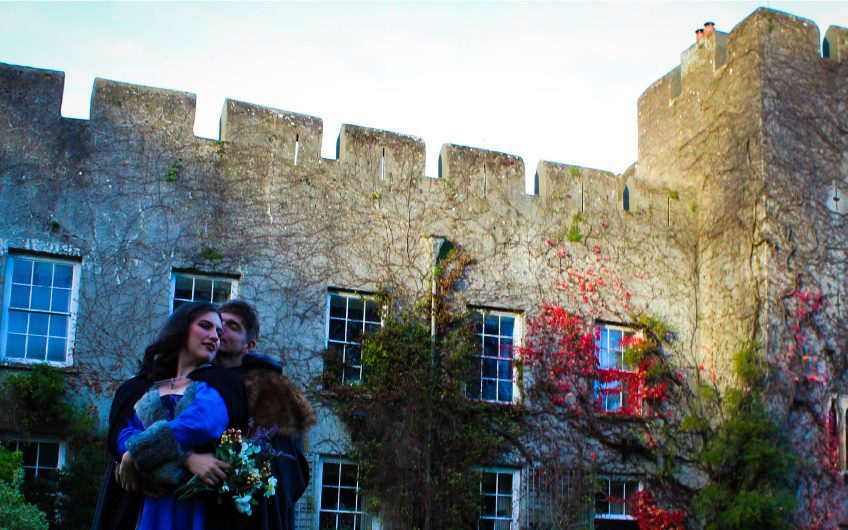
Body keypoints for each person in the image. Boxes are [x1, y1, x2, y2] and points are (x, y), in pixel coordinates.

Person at [93, 301, 248, 530]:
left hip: (194, 510)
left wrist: (137, 454)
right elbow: (123, 437)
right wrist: (186, 459)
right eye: (205, 326)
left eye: (219, 332)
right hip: (141, 508)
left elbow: (200, 424)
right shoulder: (140, 387)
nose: (215, 336)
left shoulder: (221, 383)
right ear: (182, 328)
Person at [215, 299, 316, 530]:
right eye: (218, 323)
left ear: (249, 345)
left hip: (247, 512)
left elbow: (287, 468)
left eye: (232, 326)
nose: (221, 330)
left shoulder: (270, 389)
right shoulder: (196, 379)